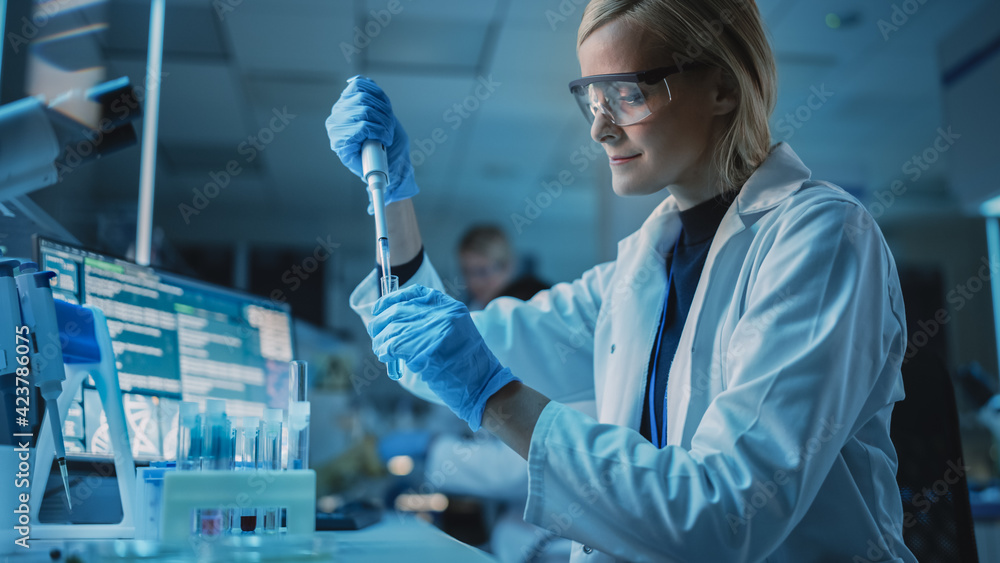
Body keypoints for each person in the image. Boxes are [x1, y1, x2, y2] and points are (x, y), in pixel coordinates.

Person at [325, 0, 916, 561]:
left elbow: (728, 516)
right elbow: (439, 353)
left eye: (627, 94)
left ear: (723, 87)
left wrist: (493, 398)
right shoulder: (636, 272)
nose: (599, 129)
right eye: (591, 96)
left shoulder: (822, 238)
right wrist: (393, 200)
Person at [457, 224, 550, 309]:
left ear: (508, 266)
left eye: (483, 272)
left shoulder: (534, 304)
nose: (474, 282)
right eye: (466, 272)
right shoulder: (472, 305)